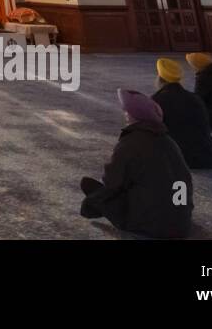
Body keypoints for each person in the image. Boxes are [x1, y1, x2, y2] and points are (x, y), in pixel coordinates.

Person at [79, 89, 193, 239]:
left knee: (88, 185)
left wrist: (89, 204)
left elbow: (112, 184)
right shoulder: (169, 142)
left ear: (134, 116)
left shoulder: (130, 143)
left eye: (127, 111)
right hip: (182, 222)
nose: (125, 114)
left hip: (151, 225)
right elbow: (185, 180)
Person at [151, 58, 212, 170]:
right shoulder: (195, 98)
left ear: (159, 79)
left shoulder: (157, 100)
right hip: (209, 157)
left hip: (178, 159)